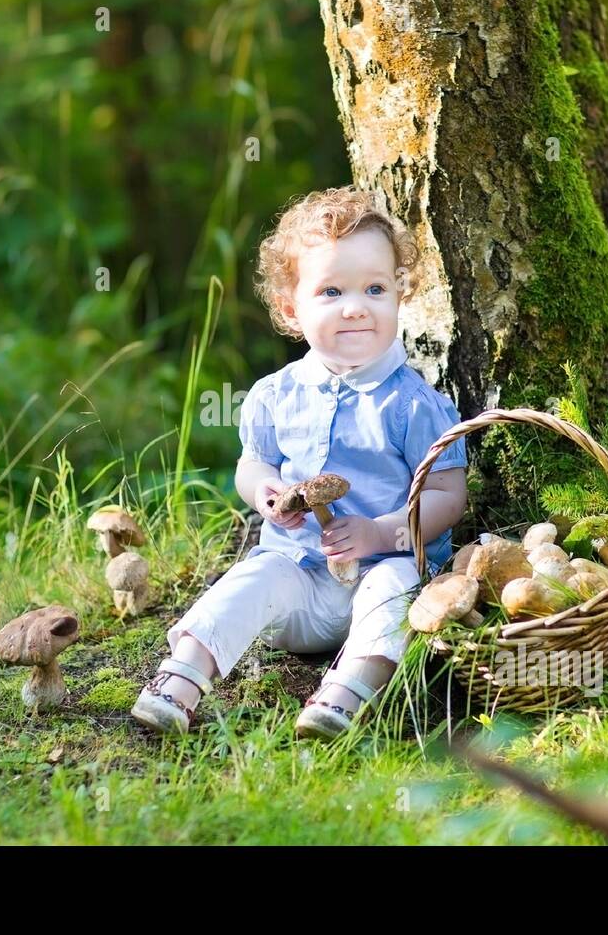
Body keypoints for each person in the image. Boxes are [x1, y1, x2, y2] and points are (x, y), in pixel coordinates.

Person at [132, 186, 468, 740]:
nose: (356, 306)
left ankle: (346, 693)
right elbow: (252, 465)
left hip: (378, 579)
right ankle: (182, 677)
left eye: (375, 288)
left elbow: (447, 497)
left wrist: (381, 531)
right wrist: (265, 492)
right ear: (292, 309)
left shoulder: (414, 403)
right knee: (253, 575)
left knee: (397, 584)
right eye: (331, 290)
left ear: (400, 295)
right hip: (297, 585)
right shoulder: (275, 394)